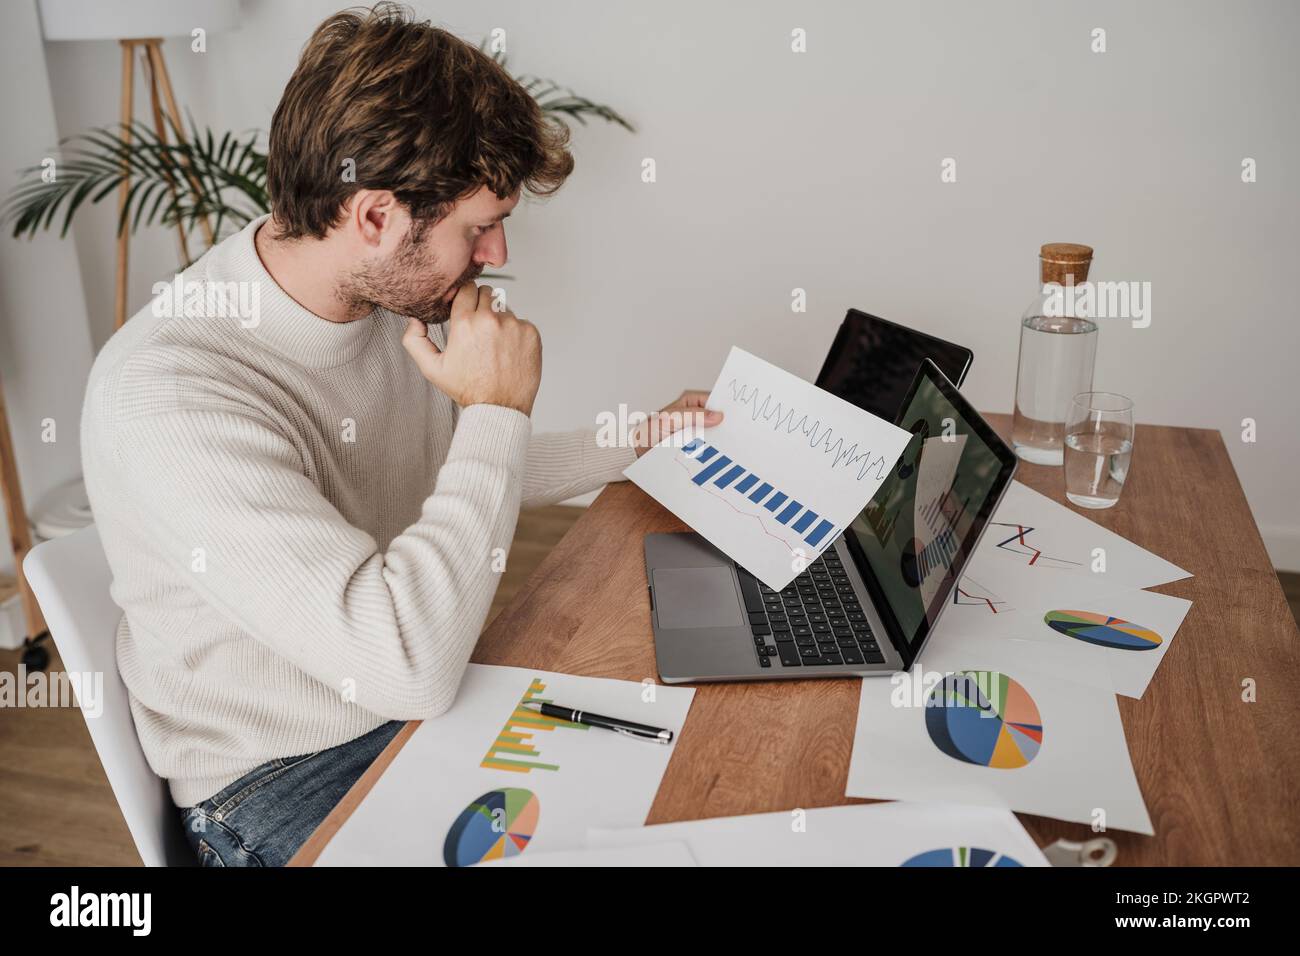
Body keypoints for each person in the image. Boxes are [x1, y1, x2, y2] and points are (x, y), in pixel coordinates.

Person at [80, 3, 719, 866]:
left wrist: (644, 440)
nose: (494, 253)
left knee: (695, 776)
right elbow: (406, 663)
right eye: (478, 224)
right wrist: (496, 409)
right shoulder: (171, 392)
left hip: (414, 701)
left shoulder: (379, 298)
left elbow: (451, 473)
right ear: (376, 216)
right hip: (280, 777)